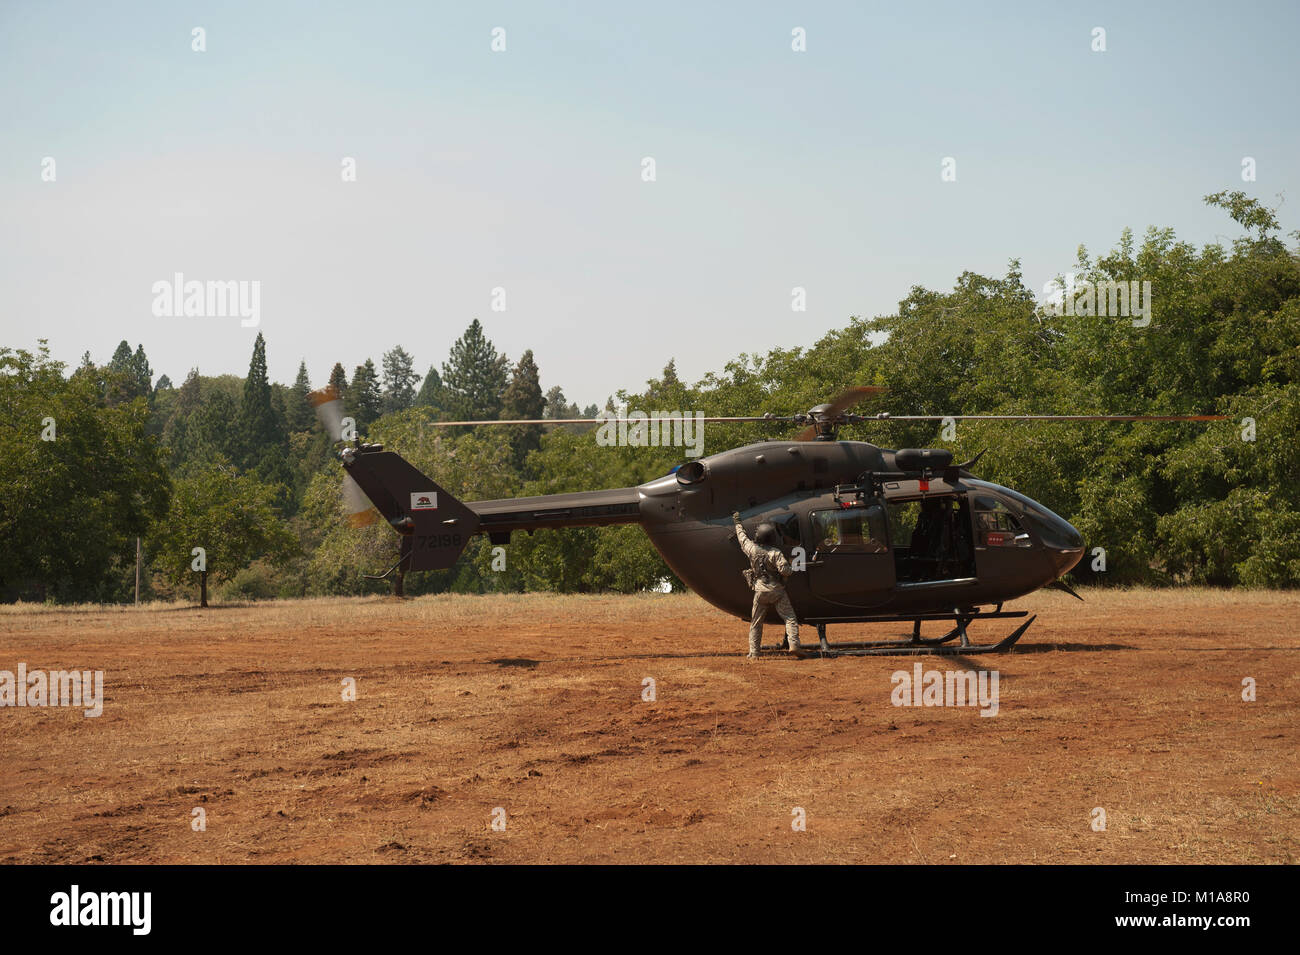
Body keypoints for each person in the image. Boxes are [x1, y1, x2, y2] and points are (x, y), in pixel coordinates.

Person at [732, 511, 801, 659]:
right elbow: (786, 571)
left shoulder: (752, 550)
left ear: (759, 536)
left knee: (756, 623)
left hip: (760, 591)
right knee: (789, 618)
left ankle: (754, 653)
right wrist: (789, 565)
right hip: (777, 591)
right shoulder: (776, 553)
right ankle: (794, 645)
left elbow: (742, 538)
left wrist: (737, 522)